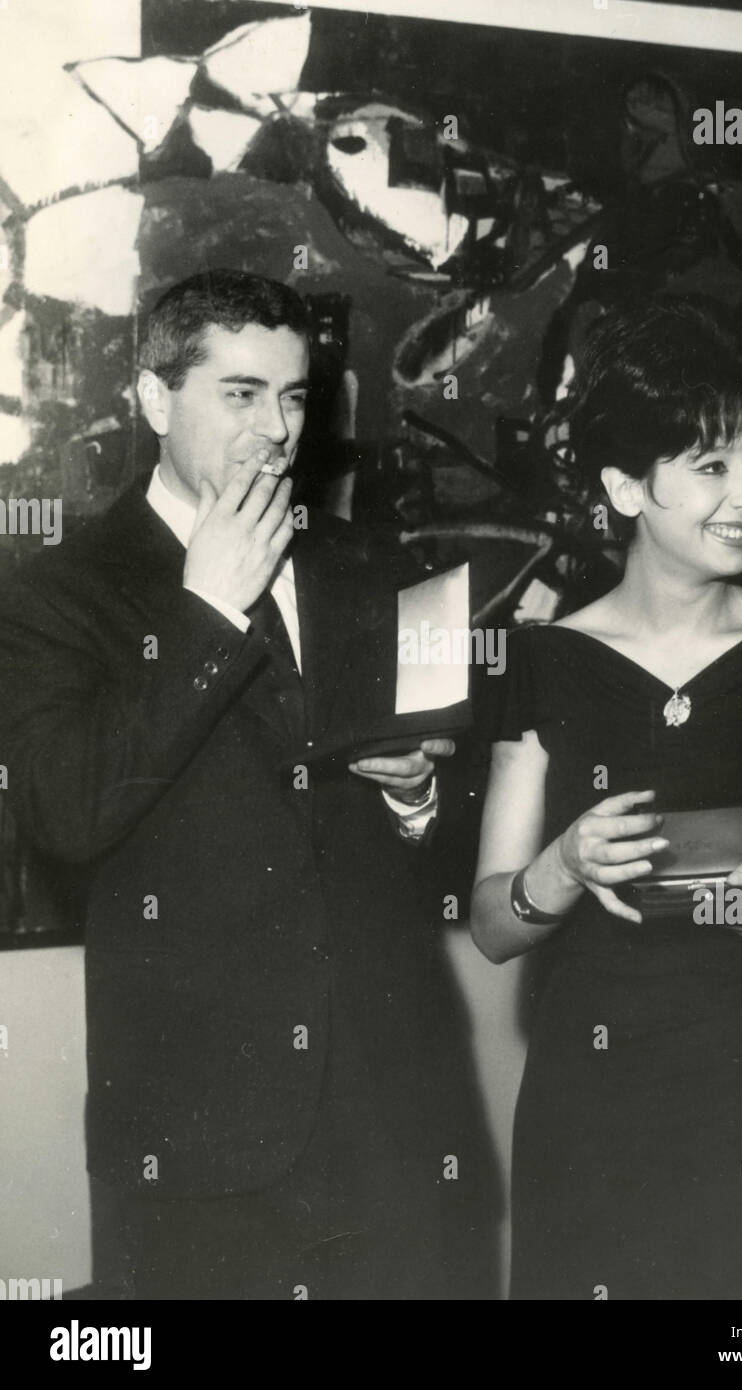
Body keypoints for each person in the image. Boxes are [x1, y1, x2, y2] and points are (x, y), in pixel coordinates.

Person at [0, 269, 497, 1300]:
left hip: (392, 1117)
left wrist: (415, 799)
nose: (276, 429)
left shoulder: (358, 565)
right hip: (198, 1139)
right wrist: (208, 616)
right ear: (151, 398)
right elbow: (62, 813)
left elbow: (436, 852)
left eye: (295, 395)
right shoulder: (56, 593)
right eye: (240, 393)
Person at [470, 296, 742, 1300]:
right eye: (710, 467)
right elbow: (490, 923)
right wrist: (562, 865)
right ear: (623, 486)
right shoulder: (547, 663)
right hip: (596, 1103)